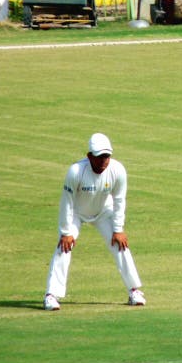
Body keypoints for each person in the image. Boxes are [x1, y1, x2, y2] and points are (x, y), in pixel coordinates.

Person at [43, 133, 145, 311]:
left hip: (103, 211)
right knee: (64, 247)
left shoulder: (118, 170)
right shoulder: (75, 171)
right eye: (99, 156)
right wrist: (66, 232)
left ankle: (134, 291)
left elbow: (119, 200)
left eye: (107, 156)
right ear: (89, 156)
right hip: (76, 213)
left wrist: (118, 229)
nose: (104, 160)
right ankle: (51, 295)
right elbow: (66, 202)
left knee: (120, 244)